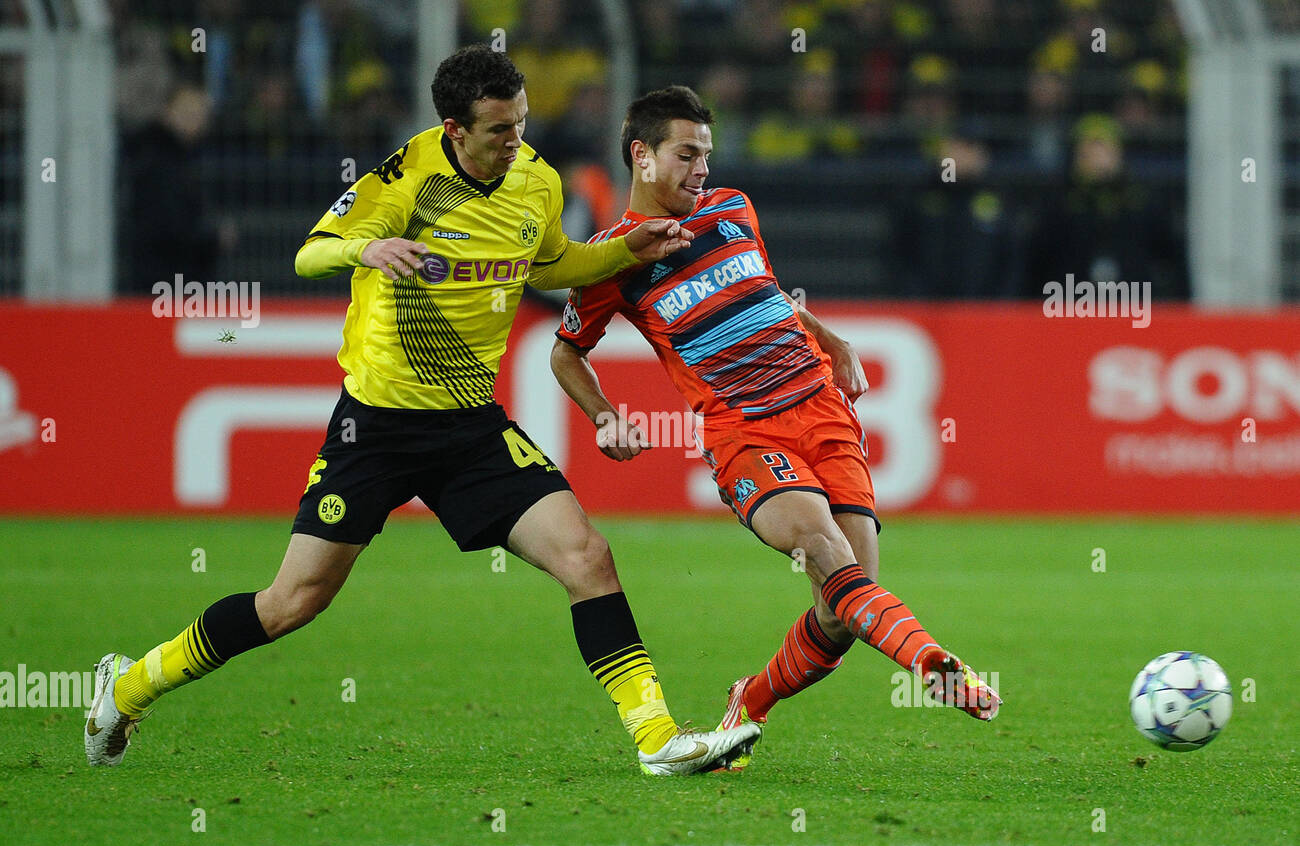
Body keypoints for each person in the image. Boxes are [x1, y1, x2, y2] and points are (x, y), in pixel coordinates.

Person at [86, 48, 758, 777]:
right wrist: (367, 247)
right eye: (500, 130)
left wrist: (626, 249)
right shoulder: (407, 177)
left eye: (522, 123)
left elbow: (554, 264)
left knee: (587, 556)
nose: (516, 142)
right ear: (454, 128)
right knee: (293, 602)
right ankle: (129, 686)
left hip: (470, 425)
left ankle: (657, 739)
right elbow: (311, 255)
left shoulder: (534, 180)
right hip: (375, 427)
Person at [550, 86, 1001, 769]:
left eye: (706, 153)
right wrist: (605, 414)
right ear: (641, 157)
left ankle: (750, 699)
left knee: (842, 614)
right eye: (686, 154)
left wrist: (831, 338)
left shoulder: (733, 209)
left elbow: (765, 291)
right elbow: (565, 351)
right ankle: (929, 659)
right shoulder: (615, 258)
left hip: (823, 411)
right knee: (827, 553)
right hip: (745, 434)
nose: (702, 168)